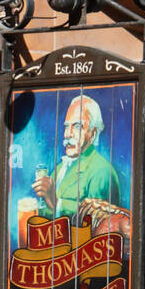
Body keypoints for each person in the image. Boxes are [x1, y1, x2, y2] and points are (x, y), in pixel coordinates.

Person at [33, 94, 123, 224]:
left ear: (92, 134)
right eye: (66, 126)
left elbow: (95, 223)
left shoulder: (101, 171)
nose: (68, 134)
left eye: (77, 127)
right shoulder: (60, 169)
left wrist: (56, 202)